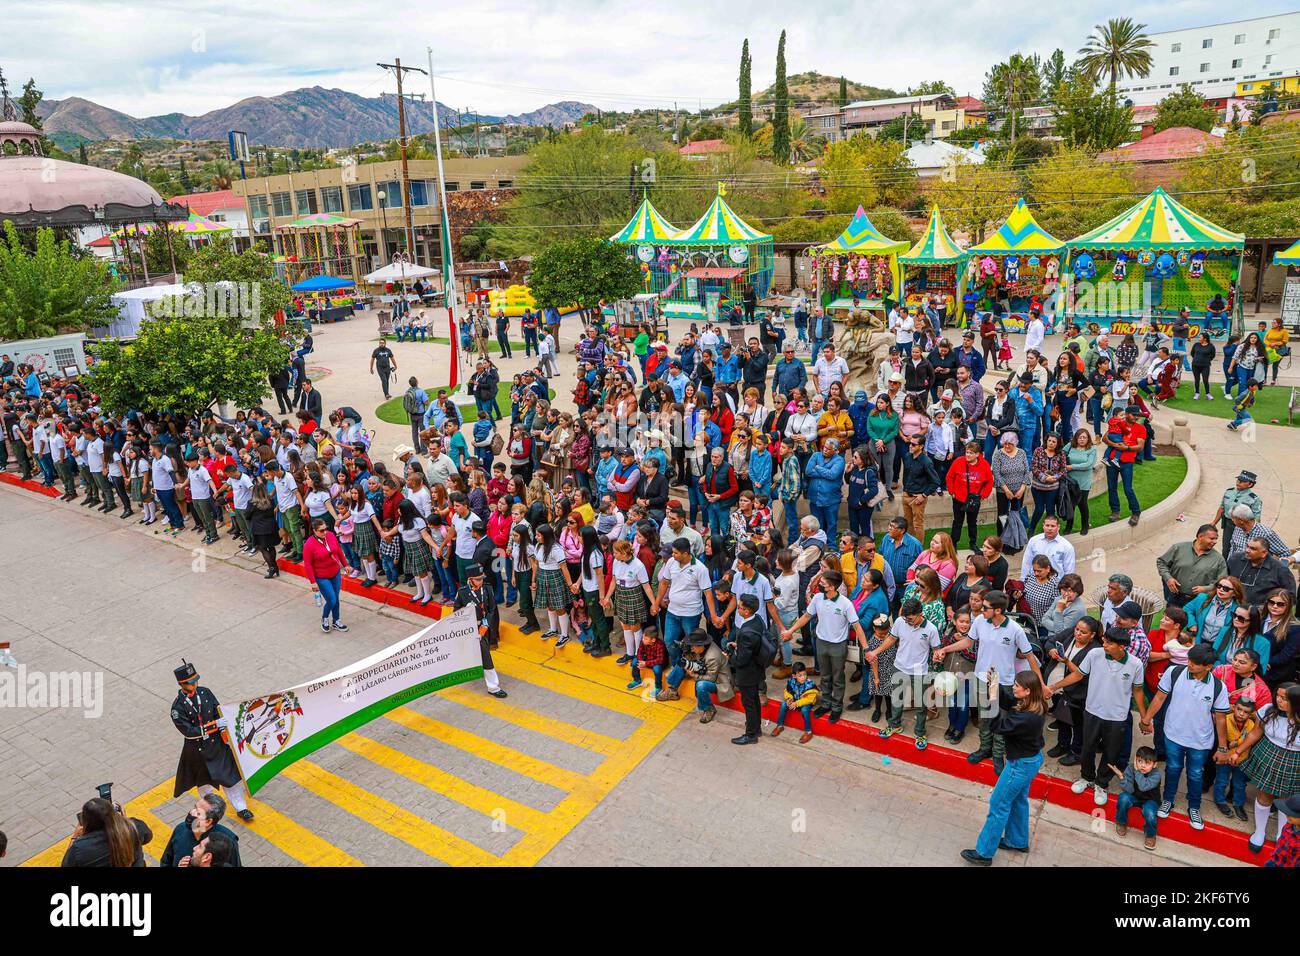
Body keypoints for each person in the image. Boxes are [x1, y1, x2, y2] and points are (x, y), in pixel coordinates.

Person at [960, 670, 1049, 865]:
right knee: (1018, 801)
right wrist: (996, 684)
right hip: (1030, 760)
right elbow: (1008, 699)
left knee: (998, 805)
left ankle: (984, 853)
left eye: (1017, 685)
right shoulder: (1035, 704)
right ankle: (1017, 840)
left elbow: (996, 725)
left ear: (1027, 691)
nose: (1014, 687)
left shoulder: (1026, 718)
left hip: (1019, 766)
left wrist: (992, 699)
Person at [1138, 642, 1230, 831]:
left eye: (1195, 663)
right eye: (1189, 660)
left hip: (1200, 741)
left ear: (1208, 667)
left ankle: (1194, 807)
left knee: (1195, 774)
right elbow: (1159, 698)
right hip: (1173, 734)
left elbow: (1221, 719)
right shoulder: (1174, 673)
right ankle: (1168, 800)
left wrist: (1222, 748)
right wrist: (1146, 718)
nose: (1189, 664)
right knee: (1172, 768)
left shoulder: (1218, 687)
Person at [1052, 627, 1147, 809]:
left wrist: (1144, 718)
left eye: (1109, 643)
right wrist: (1055, 686)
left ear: (1122, 647)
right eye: (1104, 641)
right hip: (1093, 711)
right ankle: (1086, 777)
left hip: (1117, 717)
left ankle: (1101, 783)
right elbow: (1078, 675)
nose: (1104, 645)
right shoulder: (1095, 654)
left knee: (1111, 753)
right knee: (1087, 747)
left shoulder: (1135, 664)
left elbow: (1138, 690)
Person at [169, 660, 253, 821]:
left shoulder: (205, 693)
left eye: (195, 680)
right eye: (190, 682)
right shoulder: (177, 708)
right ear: (181, 684)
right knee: (204, 784)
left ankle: (241, 807)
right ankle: (211, 811)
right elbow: (188, 731)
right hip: (197, 750)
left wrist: (223, 730)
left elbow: (218, 711)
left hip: (217, 746)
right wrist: (214, 725)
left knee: (230, 778)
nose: (194, 684)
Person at [781, 569, 865, 724]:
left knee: (838, 678)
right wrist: (790, 631)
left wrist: (866, 649)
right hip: (821, 643)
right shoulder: (818, 598)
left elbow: (857, 626)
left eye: (823, 583)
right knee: (825, 676)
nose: (819, 585)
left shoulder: (845, 604)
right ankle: (826, 703)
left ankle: (837, 706)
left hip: (838, 645)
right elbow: (806, 616)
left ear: (832, 587)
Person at [1233, 683, 1300, 853]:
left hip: (1294, 761)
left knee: (1287, 800)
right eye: (1278, 695)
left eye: (1284, 698)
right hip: (1268, 754)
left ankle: (1281, 835)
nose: (1279, 700)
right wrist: (1238, 751)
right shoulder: (1269, 710)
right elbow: (1256, 732)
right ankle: (1259, 832)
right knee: (1264, 795)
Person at [454, 563, 509, 698]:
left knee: (485, 655)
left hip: (483, 628)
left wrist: (485, 626)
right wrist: (465, 611)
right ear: (470, 579)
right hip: (469, 629)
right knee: (474, 654)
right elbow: (456, 612)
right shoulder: (462, 593)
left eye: (482, 578)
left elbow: (491, 609)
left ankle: (493, 687)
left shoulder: (487, 588)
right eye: (478, 579)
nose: (481, 581)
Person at [60, 797, 152, 868]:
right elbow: (148, 837)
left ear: (86, 822)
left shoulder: (80, 848)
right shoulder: (135, 826)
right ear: (113, 815)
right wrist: (124, 821)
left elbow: (65, 865)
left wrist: (75, 837)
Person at [160, 791, 241, 867]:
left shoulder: (227, 842)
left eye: (198, 813)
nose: (192, 812)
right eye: (194, 807)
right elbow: (166, 861)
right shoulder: (180, 829)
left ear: (208, 821)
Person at [728, 593, 768, 745]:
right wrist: (740, 646)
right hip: (757, 669)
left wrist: (730, 655)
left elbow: (741, 660)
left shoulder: (746, 631)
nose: (738, 609)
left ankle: (751, 734)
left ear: (747, 611)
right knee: (754, 701)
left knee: (749, 703)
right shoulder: (757, 620)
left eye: (740, 607)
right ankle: (756, 727)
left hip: (748, 673)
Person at [1156, 524, 1228, 609]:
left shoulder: (1218, 559)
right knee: (1171, 620)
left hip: (1197, 601)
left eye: (1216, 539)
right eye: (1212, 538)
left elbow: (1222, 582)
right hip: (1173, 597)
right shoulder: (1178, 548)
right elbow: (1161, 562)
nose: (1215, 542)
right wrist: (1168, 578)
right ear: (1200, 537)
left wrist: (1206, 589)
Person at [1112, 746, 1164, 851]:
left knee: (1149, 812)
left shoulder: (1156, 774)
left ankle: (1150, 835)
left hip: (1151, 800)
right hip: (1135, 796)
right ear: (1135, 760)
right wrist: (1122, 778)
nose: (1142, 765)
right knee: (1123, 798)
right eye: (1139, 761)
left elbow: (1143, 786)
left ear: (1154, 764)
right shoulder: (1131, 768)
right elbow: (1130, 790)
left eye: (1147, 763)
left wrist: (1137, 772)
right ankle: (1121, 822)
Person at [303, 518, 349, 633]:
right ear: (314, 531)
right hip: (322, 577)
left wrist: (346, 564)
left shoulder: (330, 535)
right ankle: (325, 618)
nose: (325, 532)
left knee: (336, 599)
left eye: (326, 529)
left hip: (335, 573)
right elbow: (308, 564)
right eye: (321, 530)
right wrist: (313, 581)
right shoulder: (309, 544)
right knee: (332, 600)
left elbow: (338, 550)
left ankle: (336, 621)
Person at [1228, 537, 1296, 607]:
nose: (1247, 550)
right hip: (1231, 606)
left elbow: (1291, 597)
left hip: (1261, 613)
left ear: (1264, 553)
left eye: (1253, 549)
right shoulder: (1235, 559)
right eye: (1247, 546)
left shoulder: (1280, 569)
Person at [1213, 470, 1263, 562]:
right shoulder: (1229, 492)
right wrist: (1214, 523)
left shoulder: (1254, 499)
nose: (1238, 482)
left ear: (1250, 484)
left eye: (1243, 481)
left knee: (1241, 551)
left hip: (1243, 527)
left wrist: (1253, 532)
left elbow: (1257, 517)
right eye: (1238, 480)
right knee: (1226, 549)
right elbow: (1222, 508)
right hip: (1229, 525)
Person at [1019, 515, 1076, 582]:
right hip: (1034, 584)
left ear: (1058, 527)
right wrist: (1023, 580)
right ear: (1043, 526)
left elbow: (1069, 571)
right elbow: (1027, 563)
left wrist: (1064, 587)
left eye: (1052, 526)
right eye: (1047, 525)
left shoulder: (1067, 547)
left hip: (1056, 586)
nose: (1049, 528)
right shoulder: (1034, 541)